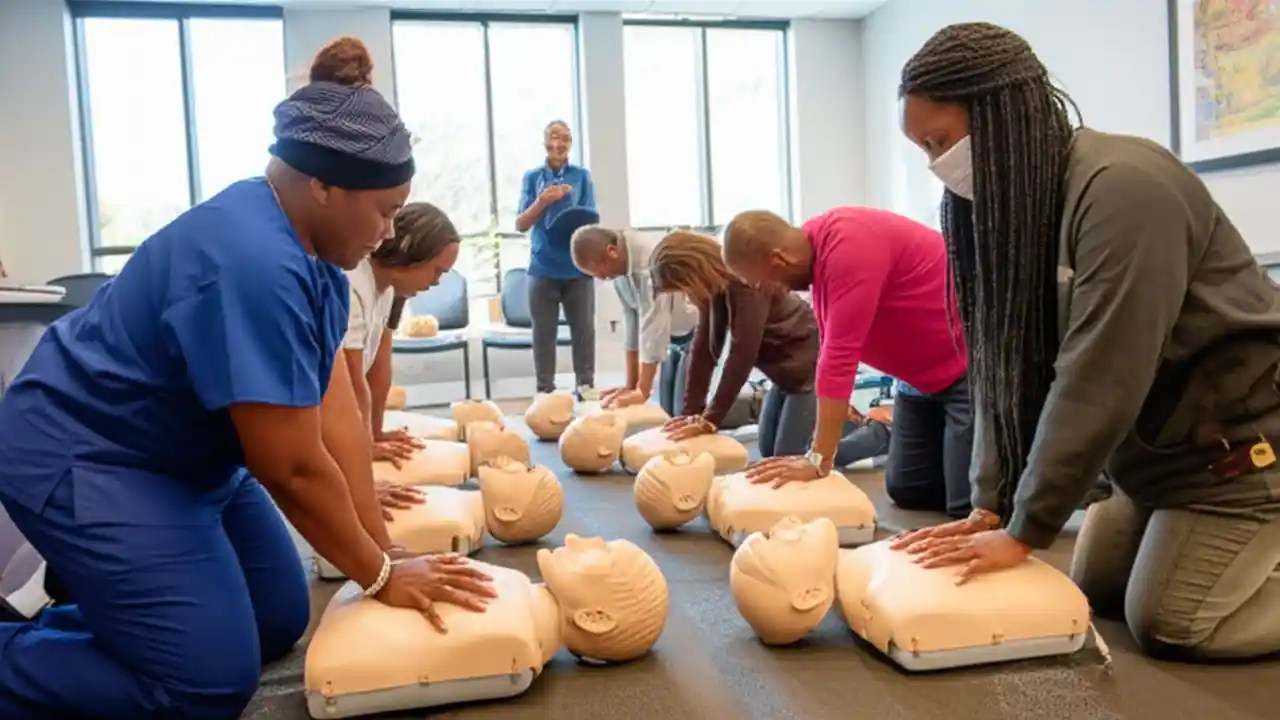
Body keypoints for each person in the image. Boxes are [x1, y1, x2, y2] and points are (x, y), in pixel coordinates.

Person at [0, 38, 495, 719]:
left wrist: (381, 546)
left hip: (187, 461)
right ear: (321, 185)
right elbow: (291, 467)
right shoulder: (253, 260)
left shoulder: (317, 252)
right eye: (383, 210)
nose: (387, 232)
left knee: (273, 620)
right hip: (90, 456)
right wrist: (380, 576)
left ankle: (120, 616)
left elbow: (335, 418)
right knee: (204, 685)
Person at [889, 22, 1280, 662]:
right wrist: (993, 505)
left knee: (1172, 623)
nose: (937, 166)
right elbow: (996, 365)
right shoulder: (1011, 207)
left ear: (1001, 114)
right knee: (1093, 589)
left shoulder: (1125, 188)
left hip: (1239, 457)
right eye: (922, 149)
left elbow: (1099, 371)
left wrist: (1029, 527)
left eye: (939, 142)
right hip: (1155, 461)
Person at [722, 208, 974, 518]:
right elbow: (829, 350)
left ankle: (1007, 459)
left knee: (966, 508)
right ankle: (895, 433)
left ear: (778, 260)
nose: (775, 291)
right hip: (918, 382)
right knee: (910, 490)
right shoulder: (817, 255)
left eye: (762, 283)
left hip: (965, 371)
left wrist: (818, 459)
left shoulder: (848, 246)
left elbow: (840, 356)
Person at [646, 230, 819, 456]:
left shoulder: (746, 282)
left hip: (805, 369)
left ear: (695, 272)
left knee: (785, 458)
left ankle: (853, 435)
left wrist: (711, 419)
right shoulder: (713, 285)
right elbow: (704, 350)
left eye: (685, 287)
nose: (687, 296)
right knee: (768, 451)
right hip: (780, 373)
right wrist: (691, 414)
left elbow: (742, 355)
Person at [343, 202, 460, 470]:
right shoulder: (352, 285)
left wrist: (375, 432)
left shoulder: (390, 290)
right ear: (411, 252)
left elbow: (378, 369)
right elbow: (352, 384)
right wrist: (361, 452)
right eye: (437, 271)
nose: (437, 282)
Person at [570, 225, 698, 409]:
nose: (602, 278)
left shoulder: (649, 262)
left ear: (611, 252)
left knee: (684, 407)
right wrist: (631, 385)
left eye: (601, 273)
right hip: (676, 335)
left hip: (699, 328)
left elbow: (655, 324)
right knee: (668, 407)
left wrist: (642, 391)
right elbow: (632, 319)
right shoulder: (621, 267)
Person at [515, 120, 599, 399]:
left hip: (578, 267)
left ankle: (586, 388)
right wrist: (543, 201)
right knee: (543, 335)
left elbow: (591, 220)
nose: (559, 143)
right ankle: (545, 392)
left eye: (565, 138)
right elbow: (521, 224)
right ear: (545, 143)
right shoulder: (532, 177)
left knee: (584, 333)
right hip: (542, 268)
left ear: (570, 144)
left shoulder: (582, 176)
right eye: (554, 137)